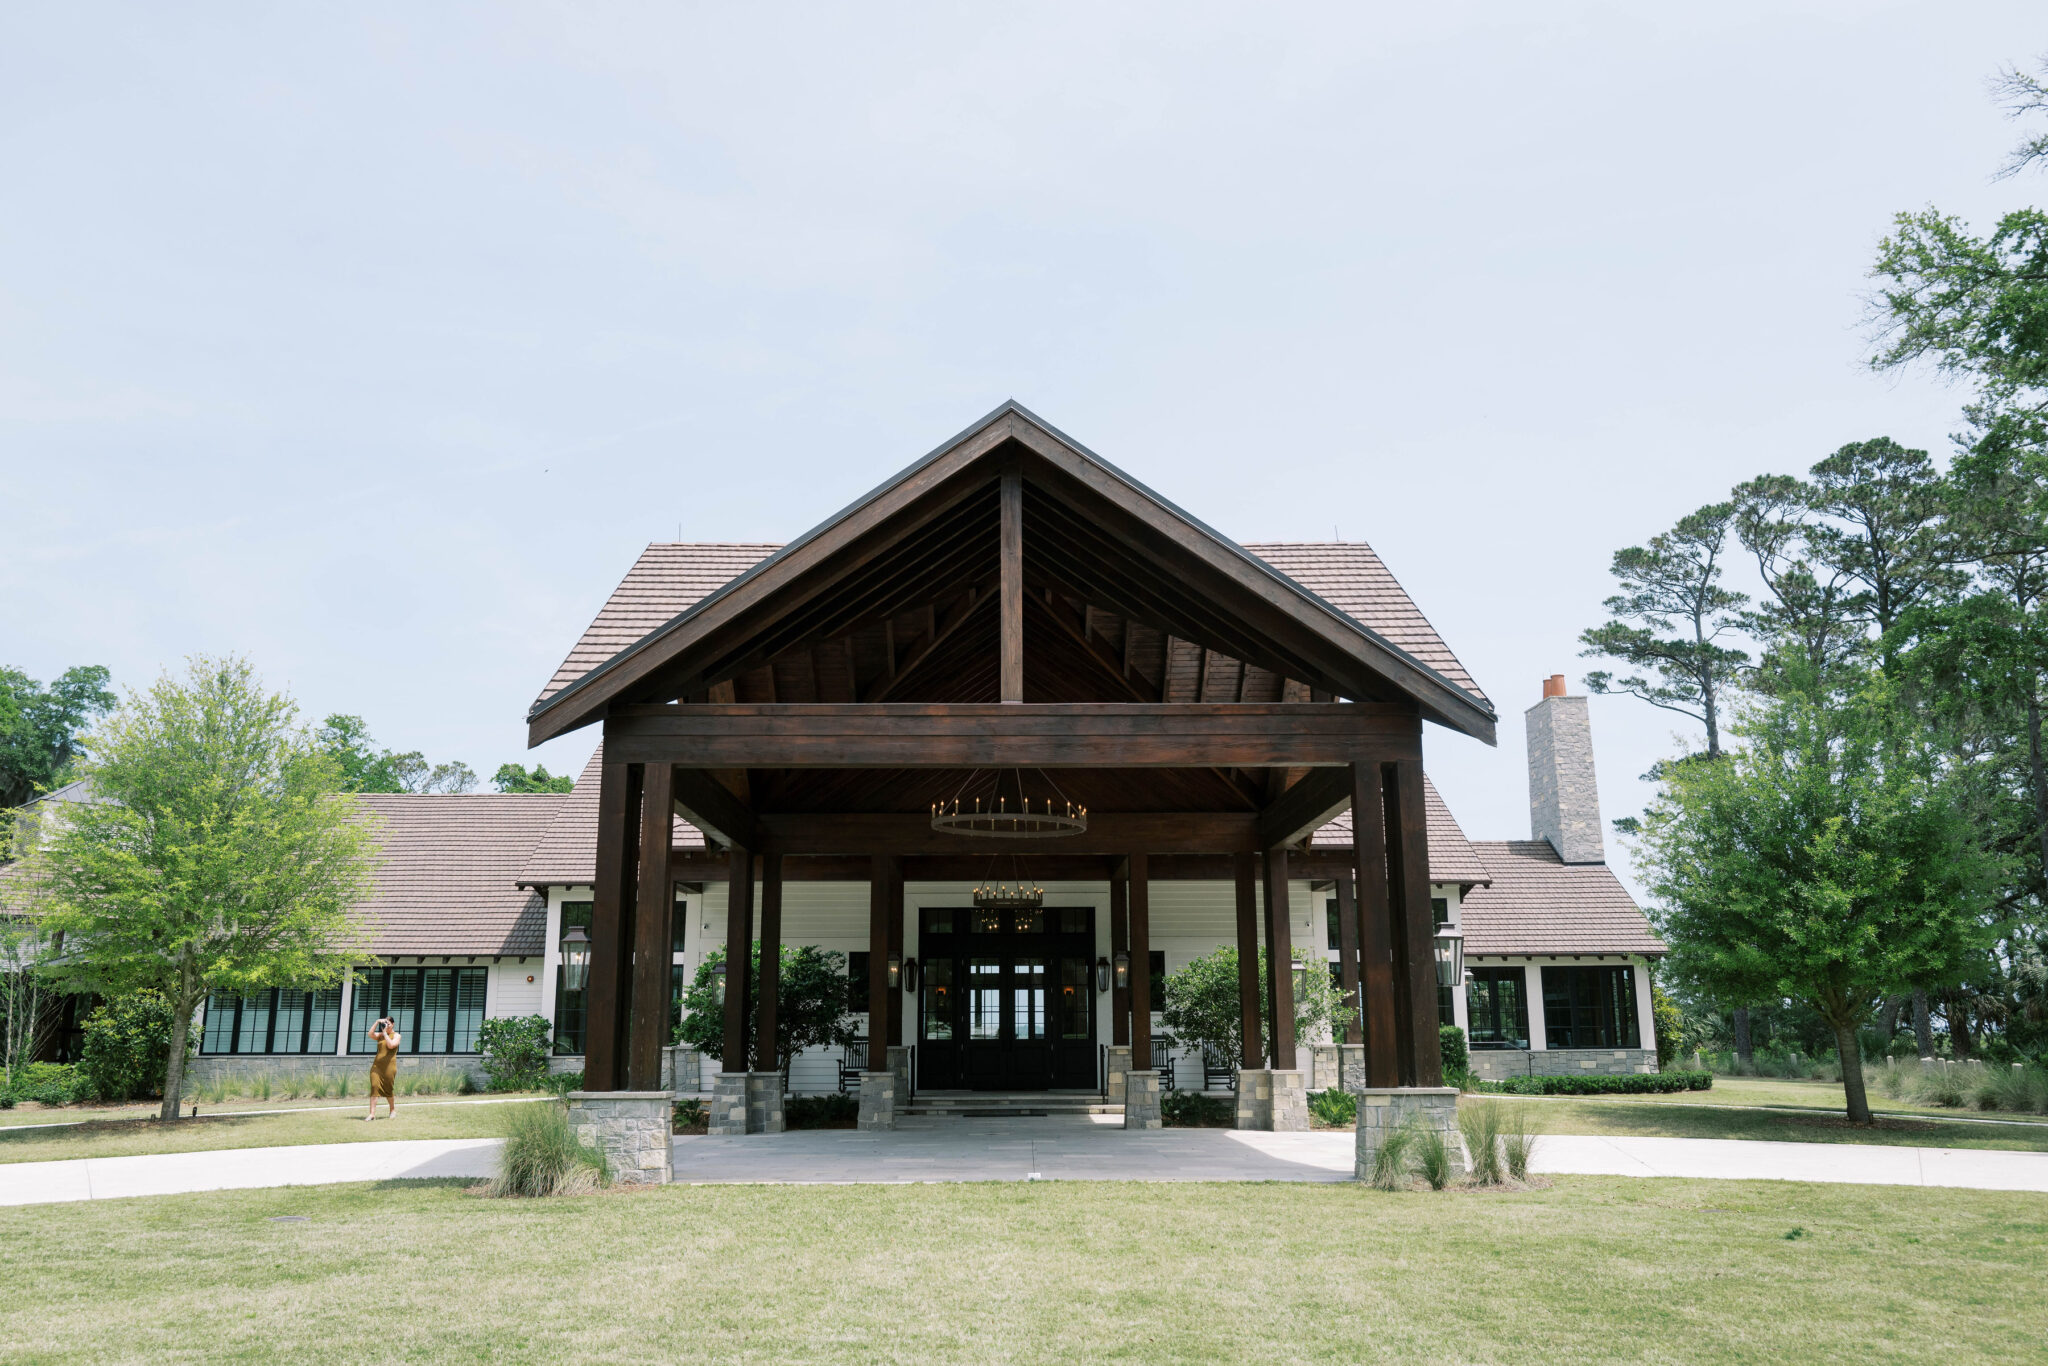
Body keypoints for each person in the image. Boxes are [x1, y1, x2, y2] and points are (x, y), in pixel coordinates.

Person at [366, 1016, 401, 1120]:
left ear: (393, 1024)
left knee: (388, 1090)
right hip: (377, 1066)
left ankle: (392, 1110)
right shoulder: (380, 1035)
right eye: (384, 1024)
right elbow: (370, 1034)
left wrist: (385, 1033)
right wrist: (377, 1022)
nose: (386, 1026)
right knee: (374, 1087)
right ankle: (372, 1114)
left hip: (389, 1067)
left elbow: (391, 1046)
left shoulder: (397, 1035)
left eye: (388, 1024)